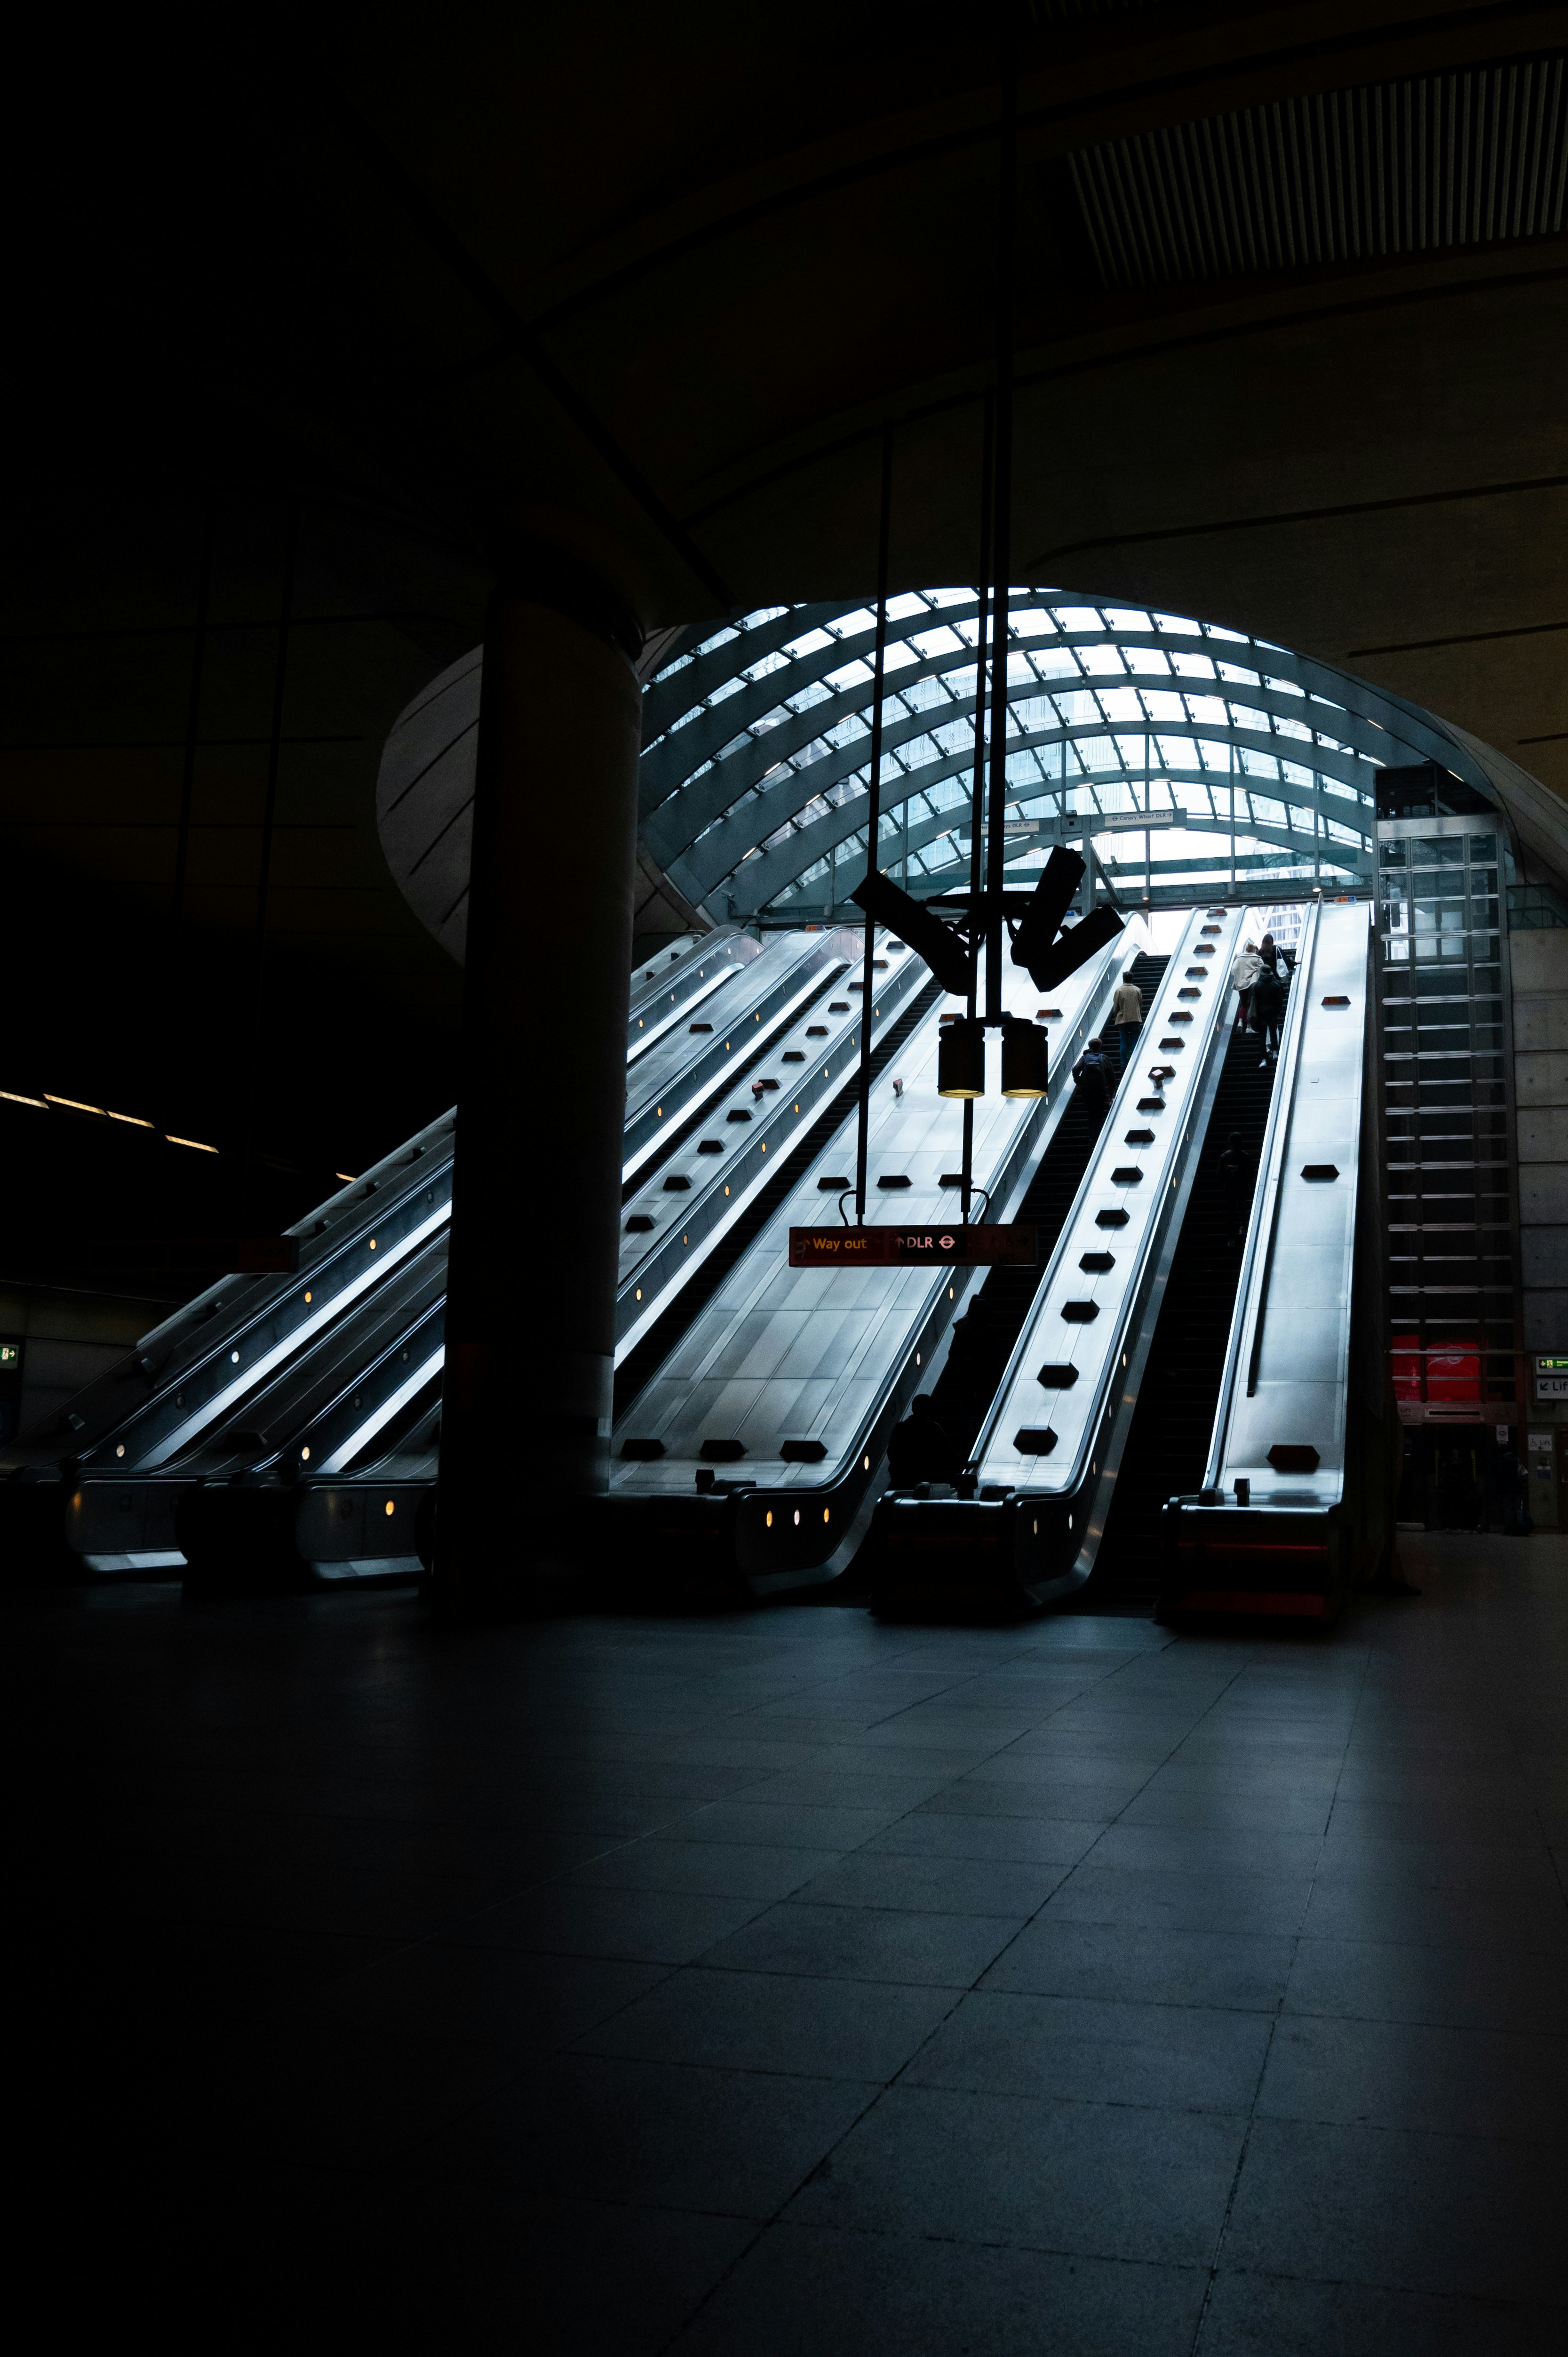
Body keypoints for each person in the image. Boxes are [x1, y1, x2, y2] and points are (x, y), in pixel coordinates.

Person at [886, 1392, 961, 1489]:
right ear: (930, 1410)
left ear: (913, 1409)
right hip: (926, 1481)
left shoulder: (900, 1427)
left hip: (901, 1480)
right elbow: (949, 1454)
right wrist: (965, 1464)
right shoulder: (933, 1429)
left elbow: (892, 1453)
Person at [1216, 1130, 1256, 1248]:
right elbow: (1252, 1173)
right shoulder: (1246, 1157)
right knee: (1242, 1208)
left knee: (1230, 1212)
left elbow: (1219, 1175)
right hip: (1243, 1186)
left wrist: (1227, 1175)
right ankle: (1243, 1228)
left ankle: (1231, 1239)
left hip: (1230, 1188)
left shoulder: (1224, 1157)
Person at [1252, 934, 1288, 1064]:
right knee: (1273, 1031)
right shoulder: (1275, 985)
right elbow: (1279, 1001)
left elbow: (1254, 1001)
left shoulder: (1257, 986)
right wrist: (1278, 1010)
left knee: (1263, 1035)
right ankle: (1275, 1052)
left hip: (1261, 1013)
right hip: (1273, 1012)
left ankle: (1263, 1059)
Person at [1072, 1035, 1111, 1130]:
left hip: (1087, 1090)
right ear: (1100, 1047)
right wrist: (1111, 1094)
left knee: (1090, 1112)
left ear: (1090, 1047)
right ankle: (1097, 1133)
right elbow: (1111, 1078)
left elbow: (1076, 1069)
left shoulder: (1085, 1058)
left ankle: (1091, 1133)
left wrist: (1080, 1083)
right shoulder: (1105, 1059)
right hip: (1100, 1090)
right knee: (1099, 1112)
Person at [1110, 967, 1143, 1072]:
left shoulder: (1119, 991)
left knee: (1123, 1041)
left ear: (1123, 979)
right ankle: (1134, 1062)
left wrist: (1117, 1017)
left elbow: (1116, 1008)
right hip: (1135, 1019)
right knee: (1134, 1040)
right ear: (1132, 979)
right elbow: (1140, 1005)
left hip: (1122, 1020)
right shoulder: (1137, 990)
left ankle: (1123, 1064)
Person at [1229, 939, 1261, 1035]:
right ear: (1254, 950)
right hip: (1252, 985)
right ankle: (1249, 1027)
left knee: (1243, 1004)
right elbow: (1261, 970)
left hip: (1241, 986)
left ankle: (1240, 1023)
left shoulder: (1239, 959)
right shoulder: (1257, 958)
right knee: (1251, 1005)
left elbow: (1233, 971)